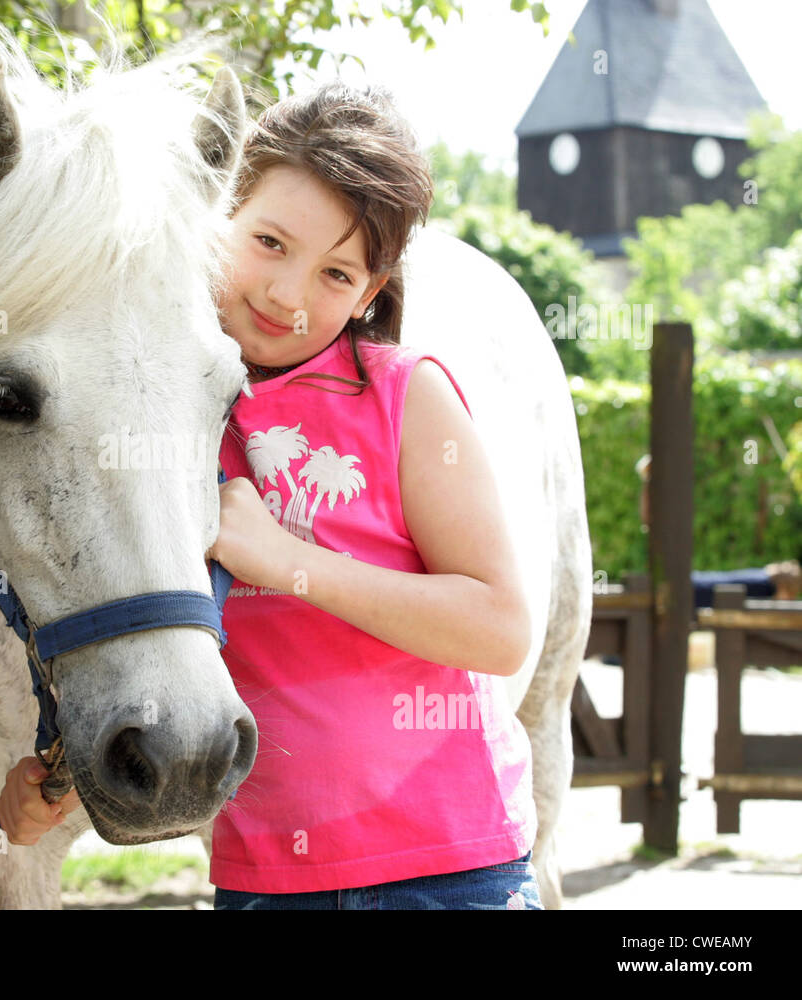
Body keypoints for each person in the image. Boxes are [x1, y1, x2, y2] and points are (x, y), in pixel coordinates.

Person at [203, 82, 542, 909]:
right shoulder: (164, 410)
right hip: (266, 878)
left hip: (450, 871)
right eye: (270, 242)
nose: (288, 295)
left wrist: (289, 563)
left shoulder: (404, 395)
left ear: (369, 291)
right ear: (218, 221)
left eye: (336, 273)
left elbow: (499, 628)